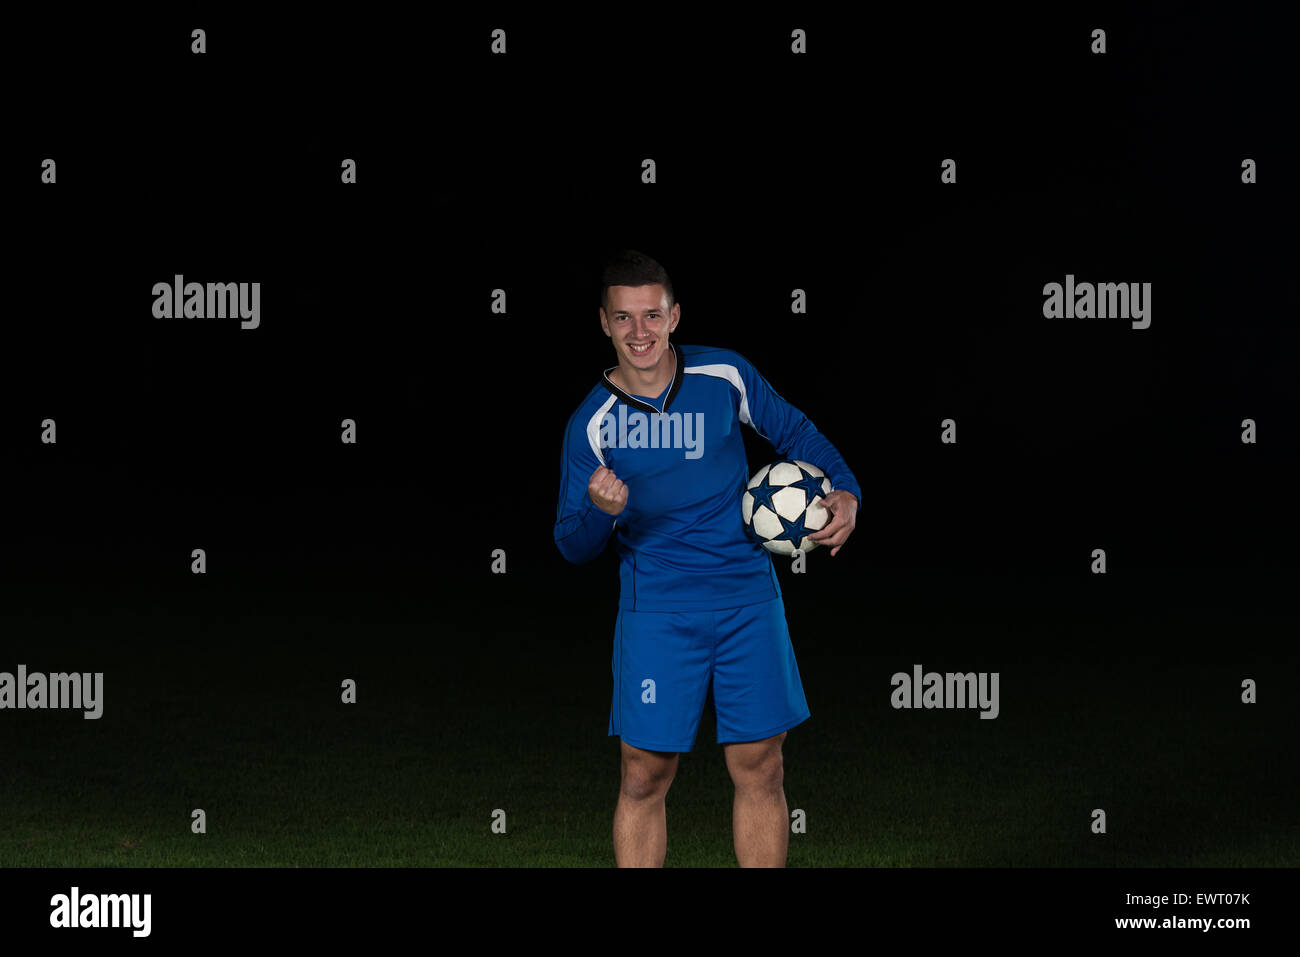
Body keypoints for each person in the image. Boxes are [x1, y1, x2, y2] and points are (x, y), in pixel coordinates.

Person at [554, 250, 860, 867]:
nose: (639, 332)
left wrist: (846, 488)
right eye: (624, 319)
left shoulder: (724, 375)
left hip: (749, 599)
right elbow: (572, 544)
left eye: (652, 315)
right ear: (605, 325)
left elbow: (796, 432)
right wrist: (599, 510)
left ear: (674, 317)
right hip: (659, 612)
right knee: (644, 775)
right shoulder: (593, 423)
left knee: (762, 768)